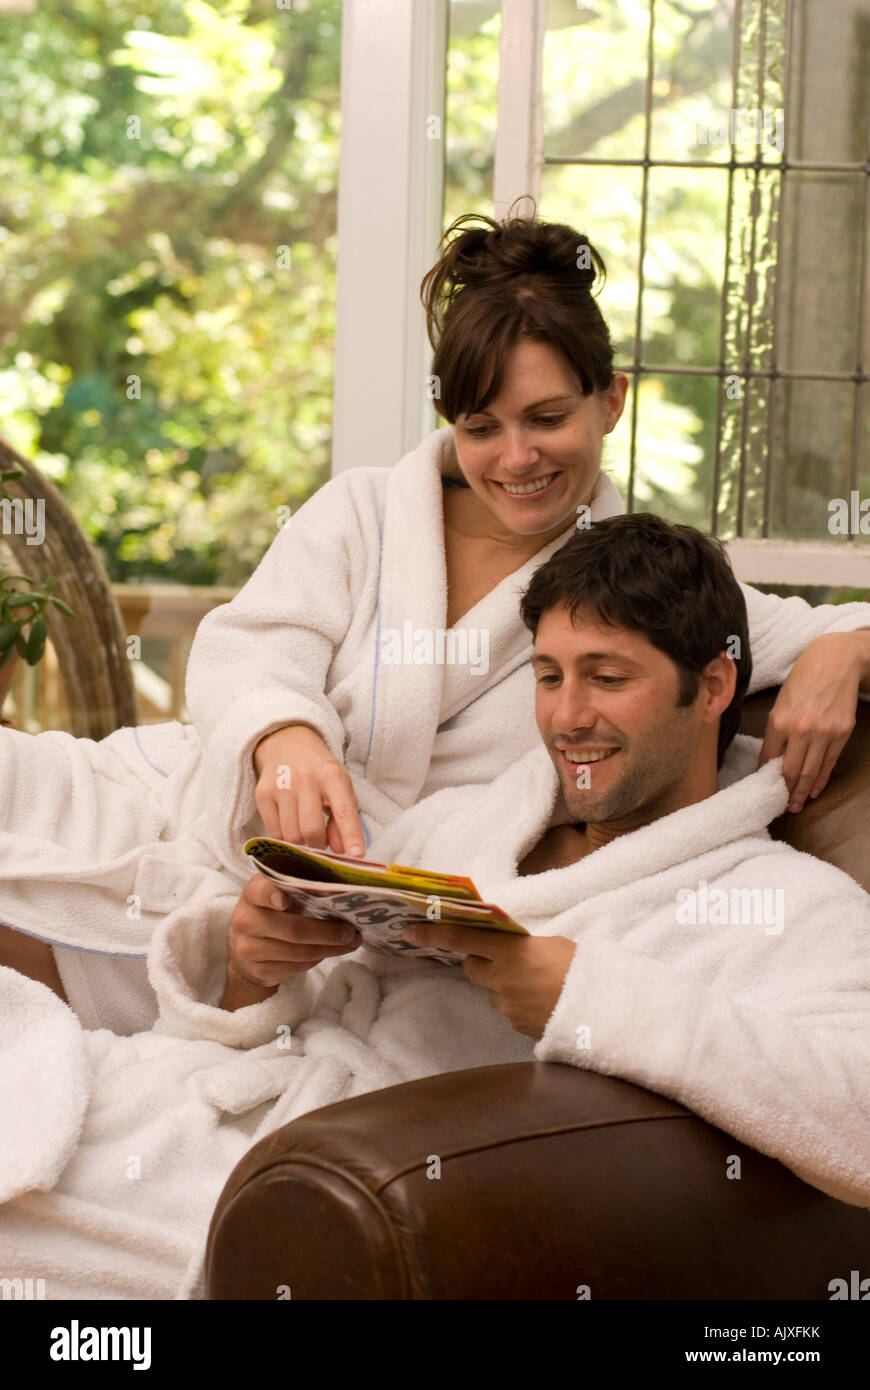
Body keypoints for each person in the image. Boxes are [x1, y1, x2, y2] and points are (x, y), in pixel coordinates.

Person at [2, 512, 867, 1303]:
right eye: (549, 676)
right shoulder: (472, 821)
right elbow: (299, 1007)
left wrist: (587, 994)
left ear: (714, 686)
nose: (568, 718)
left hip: (334, 1180)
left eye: (607, 678)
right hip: (213, 1098)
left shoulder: (782, 905)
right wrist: (249, 970)